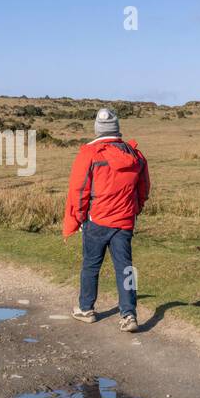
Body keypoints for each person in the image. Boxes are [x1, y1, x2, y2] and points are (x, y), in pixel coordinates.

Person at [62, 107, 150, 331]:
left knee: (91, 265)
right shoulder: (135, 155)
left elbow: (79, 189)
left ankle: (86, 308)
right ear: (116, 128)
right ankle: (129, 315)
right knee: (126, 268)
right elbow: (144, 189)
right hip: (125, 221)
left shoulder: (90, 154)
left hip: (97, 219)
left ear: (98, 129)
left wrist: (81, 217)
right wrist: (134, 210)